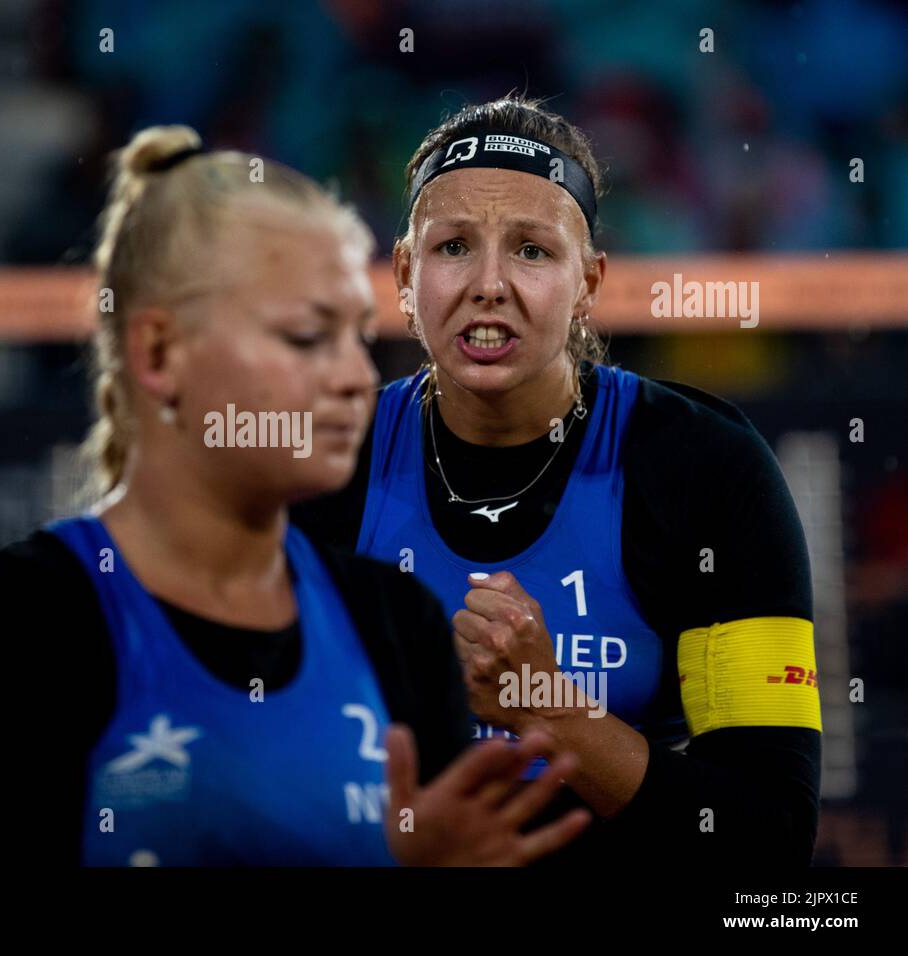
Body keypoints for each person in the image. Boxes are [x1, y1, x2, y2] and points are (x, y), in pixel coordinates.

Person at [0, 124, 590, 867]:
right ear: (159, 353)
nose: (356, 377)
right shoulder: (12, 629)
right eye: (304, 337)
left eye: (358, 335)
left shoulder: (397, 623)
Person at [292, 95, 822, 866]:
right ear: (404, 275)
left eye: (533, 250)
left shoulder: (705, 469)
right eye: (453, 248)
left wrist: (548, 707)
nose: (489, 284)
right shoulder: (319, 470)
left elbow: (767, 840)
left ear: (589, 284)